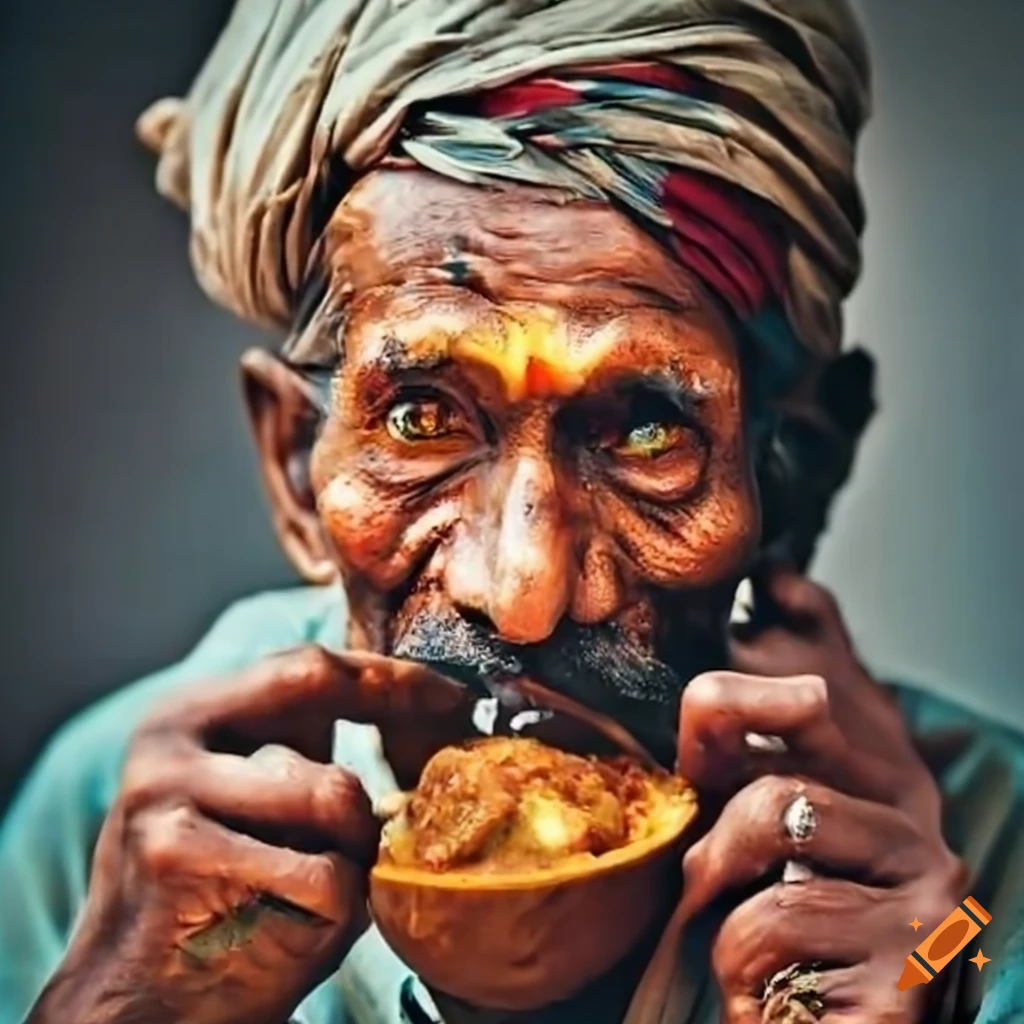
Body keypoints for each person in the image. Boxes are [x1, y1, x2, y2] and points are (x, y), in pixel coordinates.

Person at [1, 1, 1022, 1022]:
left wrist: (948, 949)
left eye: (649, 434)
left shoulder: (981, 837)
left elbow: (980, 936)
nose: (523, 593)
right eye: (419, 417)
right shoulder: (122, 832)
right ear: (293, 472)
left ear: (793, 476)